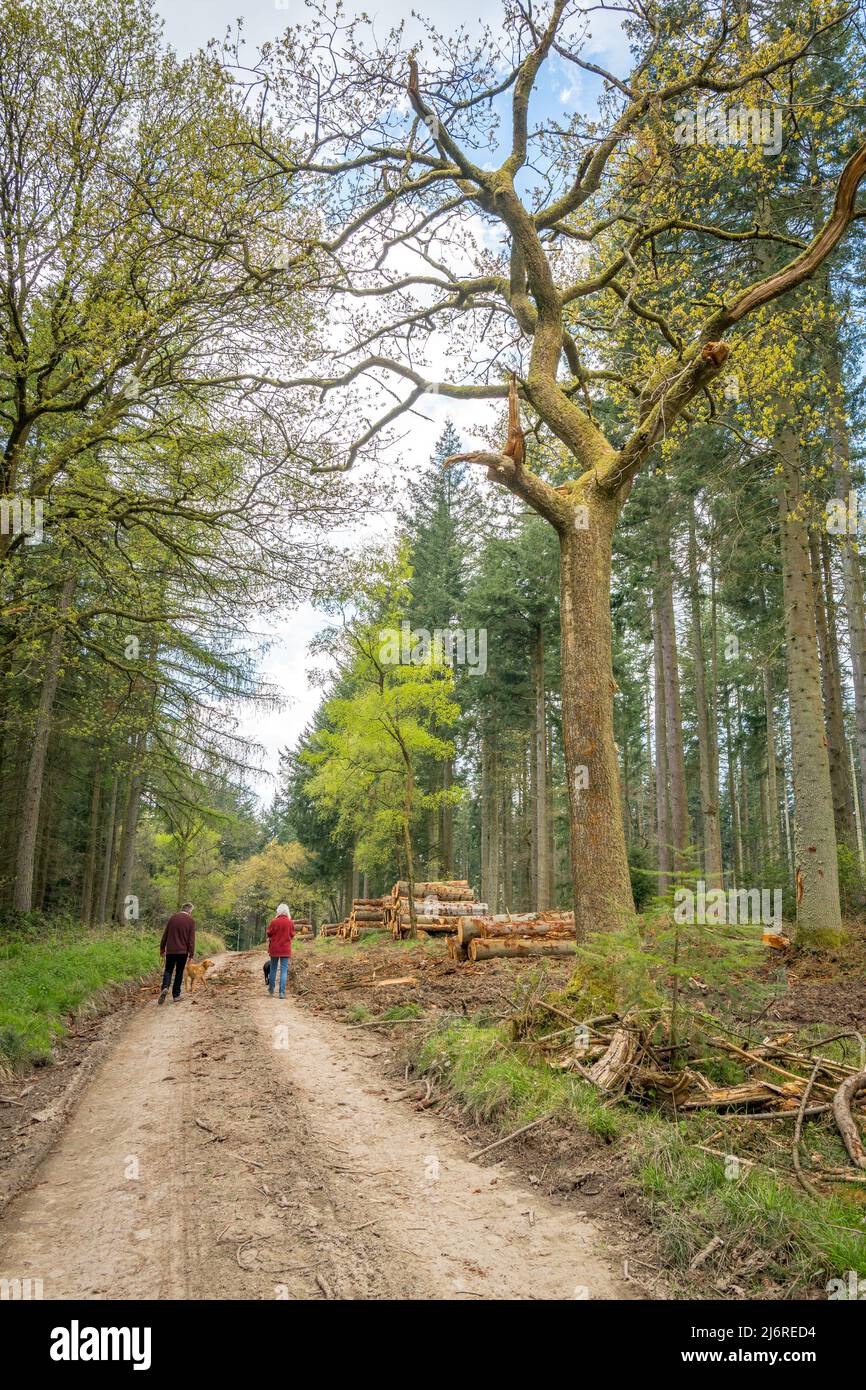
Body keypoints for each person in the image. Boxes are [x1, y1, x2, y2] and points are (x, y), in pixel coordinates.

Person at [158, 902, 196, 1005]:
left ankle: (165, 987)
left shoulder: (172, 918)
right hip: (182, 952)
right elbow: (191, 940)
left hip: (170, 950)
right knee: (179, 972)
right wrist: (191, 954)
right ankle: (176, 995)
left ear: (182, 908)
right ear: (190, 911)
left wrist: (162, 949)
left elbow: (165, 935)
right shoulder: (191, 921)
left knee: (168, 970)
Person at [266, 903, 295, 998]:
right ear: (287, 911)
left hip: (274, 949)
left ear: (278, 911)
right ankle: (282, 993)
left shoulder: (274, 922)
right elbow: (292, 934)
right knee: (283, 970)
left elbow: (269, 933)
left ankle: (271, 989)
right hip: (285, 949)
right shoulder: (290, 922)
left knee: (273, 969)